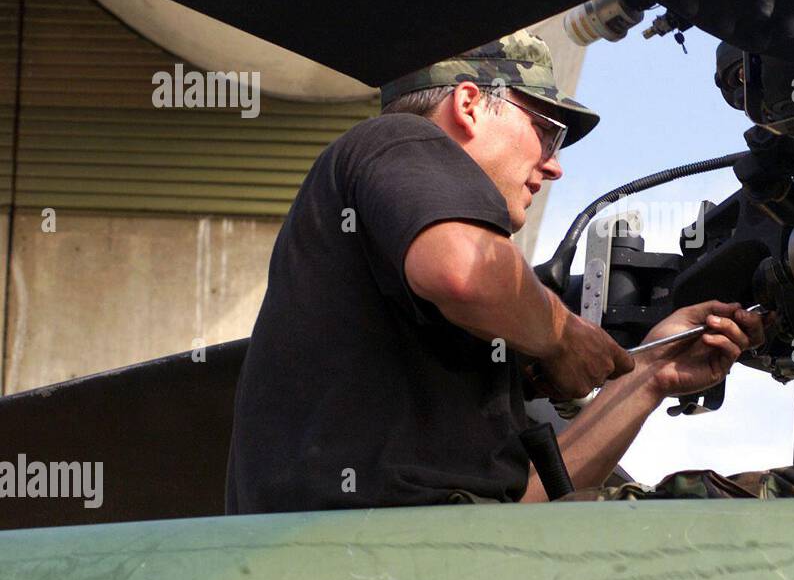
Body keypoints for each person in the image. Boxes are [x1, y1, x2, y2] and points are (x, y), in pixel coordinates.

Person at [225, 29, 763, 513]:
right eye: (547, 132)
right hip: (391, 561)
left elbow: (526, 505)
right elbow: (467, 271)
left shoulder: (419, 356)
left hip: (424, 571)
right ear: (469, 105)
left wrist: (651, 376)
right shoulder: (399, 141)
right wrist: (563, 336)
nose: (555, 165)